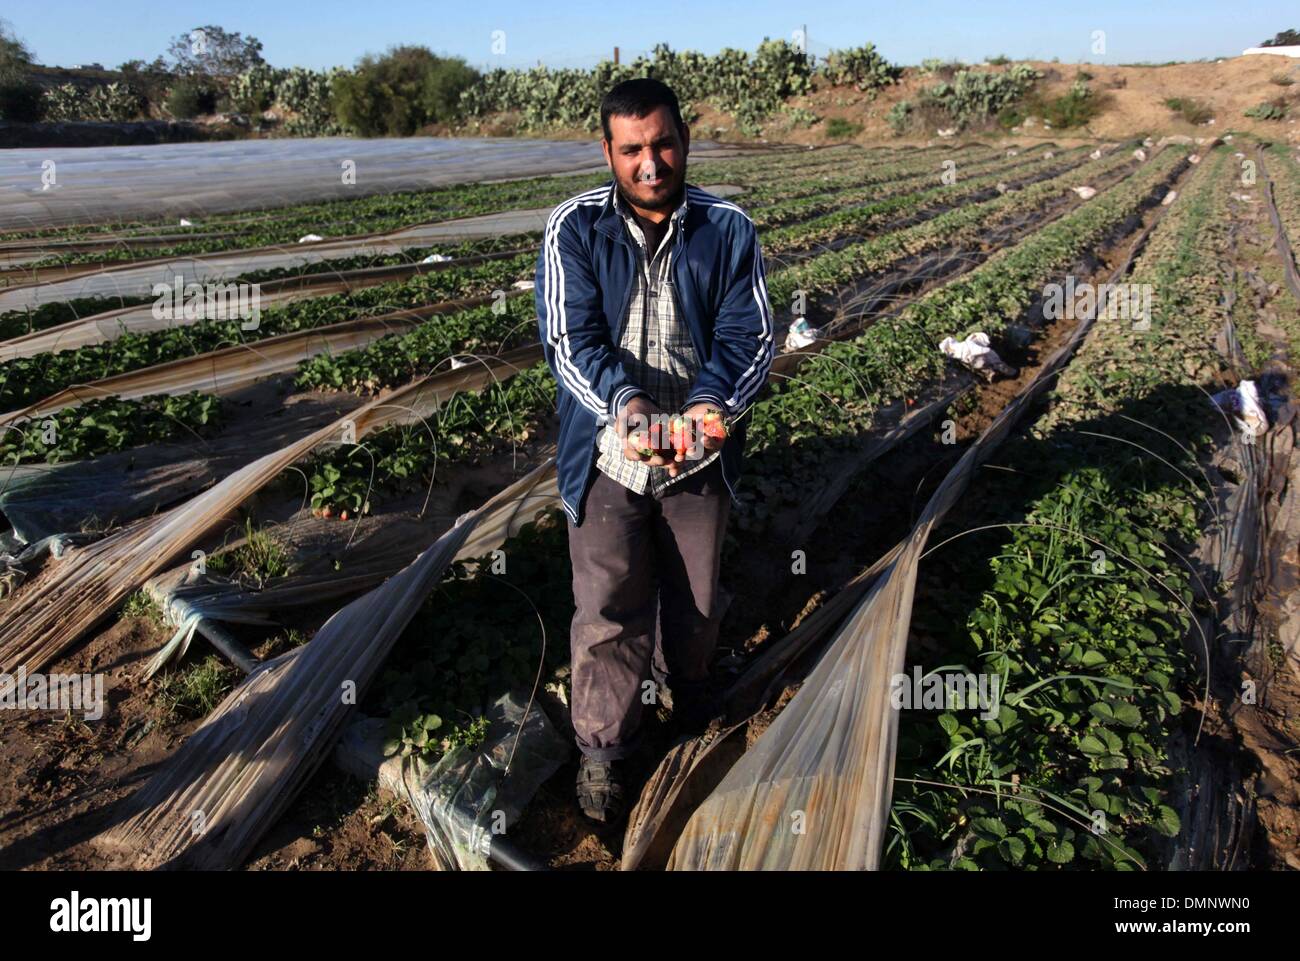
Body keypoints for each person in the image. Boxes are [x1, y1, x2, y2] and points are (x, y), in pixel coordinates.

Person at [534, 77, 774, 824]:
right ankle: (606, 749)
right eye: (631, 148)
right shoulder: (573, 229)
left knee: (697, 599)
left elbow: (749, 337)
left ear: (685, 139)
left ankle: (687, 693)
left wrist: (708, 406)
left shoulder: (727, 228)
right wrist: (628, 406)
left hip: (696, 451)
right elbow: (570, 339)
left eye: (662, 143)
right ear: (606, 151)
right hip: (610, 450)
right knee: (608, 604)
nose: (650, 162)